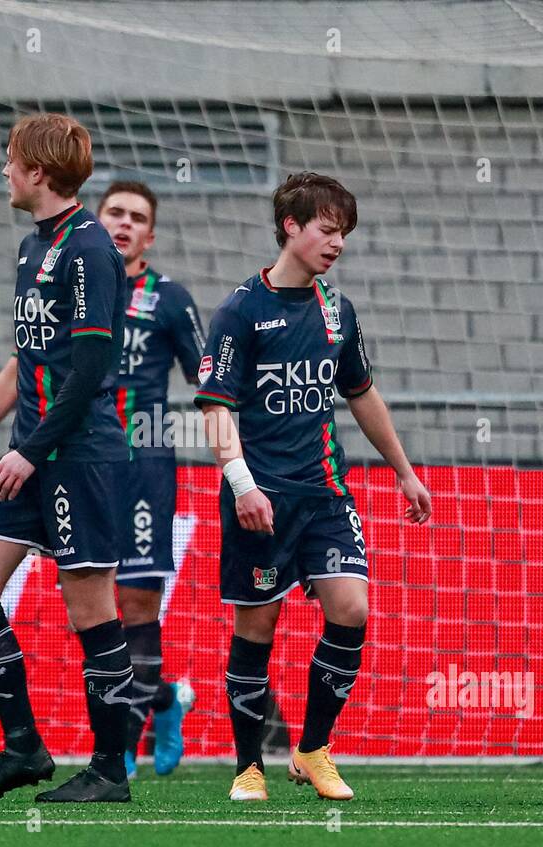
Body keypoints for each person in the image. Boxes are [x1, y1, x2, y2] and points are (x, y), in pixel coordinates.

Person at [0, 180, 203, 779]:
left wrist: (235, 466)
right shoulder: (48, 252)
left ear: (151, 233)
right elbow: (21, 367)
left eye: (137, 217)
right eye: (115, 210)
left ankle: (121, 754)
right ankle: (130, 714)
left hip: (135, 463)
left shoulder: (164, 296)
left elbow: (208, 386)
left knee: (129, 603)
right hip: (43, 451)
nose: (123, 223)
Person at [194, 171, 432, 801]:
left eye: (344, 233)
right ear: (291, 228)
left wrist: (403, 469)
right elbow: (216, 410)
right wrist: (243, 485)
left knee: (351, 609)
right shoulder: (240, 310)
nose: (338, 244)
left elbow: (362, 394)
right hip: (259, 502)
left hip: (326, 493)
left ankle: (313, 749)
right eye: (328, 230)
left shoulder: (337, 310)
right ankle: (249, 766)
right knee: (256, 631)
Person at [0, 113, 134, 804]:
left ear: (39, 172)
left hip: (77, 457)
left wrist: (30, 449)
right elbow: (28, 363)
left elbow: (88, 367)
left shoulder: (88, 248)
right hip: (29, 455)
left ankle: (111, 770)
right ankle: (24, 745)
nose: (4, 170)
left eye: (10, 160)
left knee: (90, 610)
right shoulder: (34, 247)